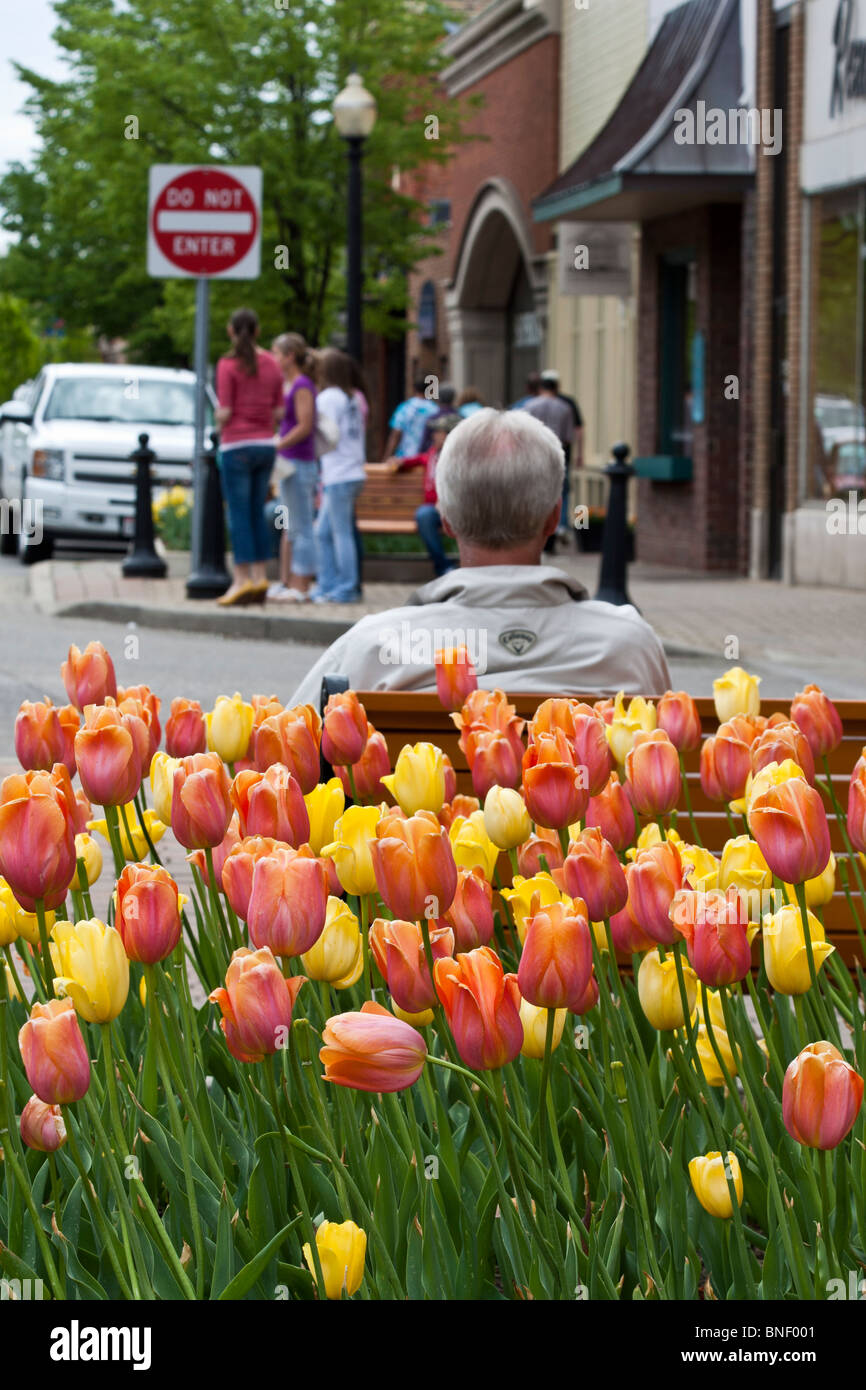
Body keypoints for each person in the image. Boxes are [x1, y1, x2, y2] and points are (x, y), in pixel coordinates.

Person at [288, 409, 670, 704]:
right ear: (553, 518)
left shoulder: (376, 646)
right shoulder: (630, 644)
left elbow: (284, 764)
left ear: (447, 520)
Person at [215, 308, 284, 606]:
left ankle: (241, 580)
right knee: (257, 512)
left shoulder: (227, 364)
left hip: (236, 446)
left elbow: (226, 412)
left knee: (238, 514)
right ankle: (261, 577)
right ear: (257, 331)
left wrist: (219, 419)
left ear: (231, 331)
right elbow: (280, 412)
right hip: (265, 445)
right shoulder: (272, 363)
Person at [369, 413, 461, 578]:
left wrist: (445, 502)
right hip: (432, 510)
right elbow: (418, 459)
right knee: (424, 515)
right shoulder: (433, 453)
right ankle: (444, 567)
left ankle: (455, 569)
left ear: (448, 434)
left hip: (452, 507)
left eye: (438, 432)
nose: (434, 435)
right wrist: (400, 462)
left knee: (428, 515)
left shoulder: (457, 457)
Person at [311, 348, 367, 603]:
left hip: (339, 473)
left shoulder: (329, 398)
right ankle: (328, 585)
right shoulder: (353, 397)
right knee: (323, 533)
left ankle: (345, 588)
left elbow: (325, 432)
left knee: (339, 533)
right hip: (351, 471)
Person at [269, 332, 318, 603]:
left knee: (301, 526)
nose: (273, 358)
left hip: (298, 462)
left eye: (276, 353)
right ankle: (287, 580)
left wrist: (279, 444)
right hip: (289, 463)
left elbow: (305, 424)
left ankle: (301, 586)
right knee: (289, 525)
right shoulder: (288, 385)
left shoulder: (301, 385)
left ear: (289, 356)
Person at [520, 369, 578, 549]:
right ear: (557, 387)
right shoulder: (565, 407)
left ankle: (536, 528)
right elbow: (569, 437)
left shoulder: (529, 406)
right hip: (558, 457)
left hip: (534, 457)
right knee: (561, 493)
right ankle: (560, 526)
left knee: (534, 493)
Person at [383, 375, 438, 459]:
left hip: (404, 456)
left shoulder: (405, 407)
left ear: (414, 390)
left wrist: (387, 455)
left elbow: (396, 434)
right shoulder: (434, 409)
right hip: (425, 457)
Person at [418, 384, 457, 450]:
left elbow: (424, 445)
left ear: (439, 398)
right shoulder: (462, 419)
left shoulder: (432, 420)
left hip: (436, 457)